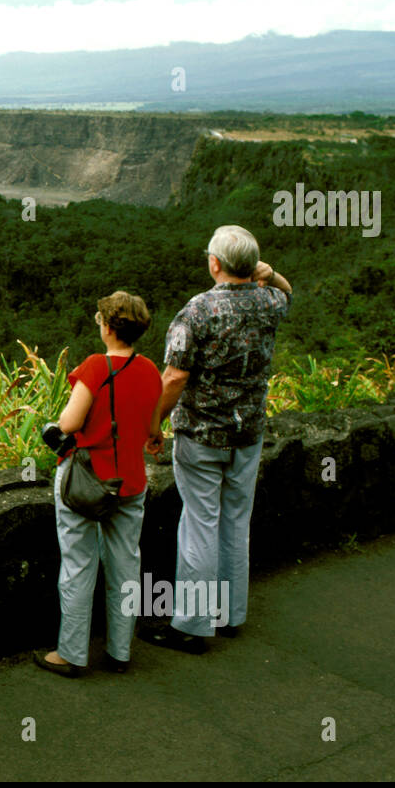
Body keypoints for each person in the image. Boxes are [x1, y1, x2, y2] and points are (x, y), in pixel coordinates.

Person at [141, 224, 292, 654]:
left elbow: (174, 376)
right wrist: (271, 273)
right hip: (249, 432)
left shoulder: (198, 311)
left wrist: (155, 425)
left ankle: (191, 624)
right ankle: (230, 613)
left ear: (214, 263)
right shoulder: (269, 301)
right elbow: (288, 292)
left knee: (199, 524)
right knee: (235, 520)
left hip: (203, 434)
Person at [34, 291, 163, 677]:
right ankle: (120, 651)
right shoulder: (150, 370)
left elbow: (70, 423)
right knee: (126, 565)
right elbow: (153, 429)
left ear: (107, 327)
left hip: (86, 482)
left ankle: (71, 653)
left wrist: (54, 425)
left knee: (78, 565)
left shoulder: (94, 367)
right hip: (130, 481)